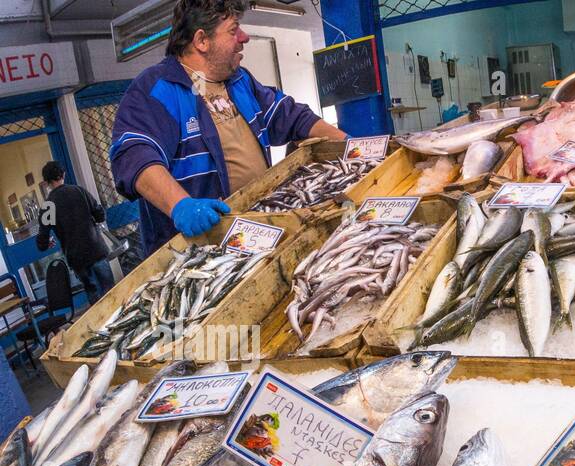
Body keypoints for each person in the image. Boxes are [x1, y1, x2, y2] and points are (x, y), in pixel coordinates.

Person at [110, 0, 345, 257]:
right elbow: (133, 154)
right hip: (198, 251)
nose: (244, 38)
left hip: (259, 231)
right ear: (202, 40)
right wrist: (181, 206)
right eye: (233, 30)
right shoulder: (158, 88)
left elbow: (292, 116)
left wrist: (350, 145)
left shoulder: (240, 81)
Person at [35, 161, 116, 305]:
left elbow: (42, 242)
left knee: (95, 298)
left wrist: (48, 242)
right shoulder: (78, 191)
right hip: (96, 249)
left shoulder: (48, 206)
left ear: (46, 182)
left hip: (77, 258)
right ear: (63, 174)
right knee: (112, 292)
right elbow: (100, 215)